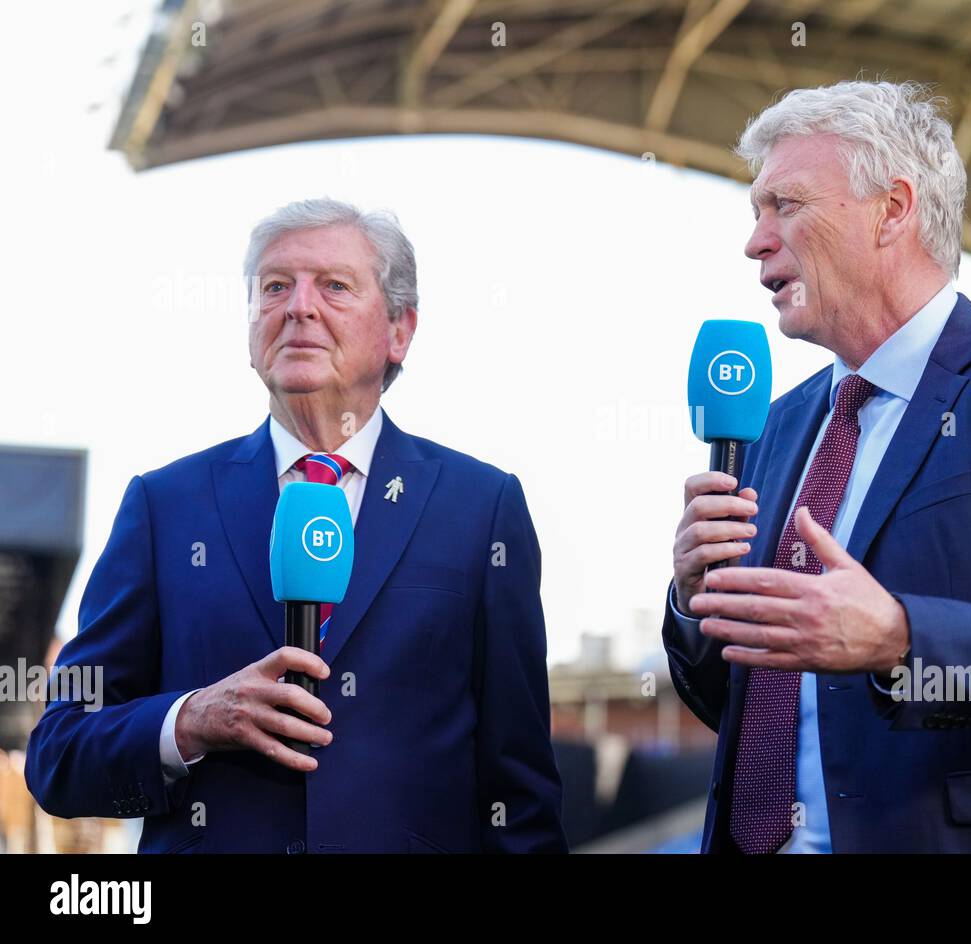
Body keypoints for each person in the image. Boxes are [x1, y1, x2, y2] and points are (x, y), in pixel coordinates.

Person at [664, 80, 971, 853]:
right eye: (755, 213)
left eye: (784, 205)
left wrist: (901, 637)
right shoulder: (777, 425)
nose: (755, 241)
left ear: (892, 209)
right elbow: (737, 706)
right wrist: (695, 603)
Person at [26, 199, 566, 853]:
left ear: (400, 328)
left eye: (334, 286)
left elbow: (523, 794)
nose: (299, 307)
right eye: (276, 286)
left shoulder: (482, 509)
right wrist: (190, 721)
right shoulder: (163, 505)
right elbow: (58, 757)